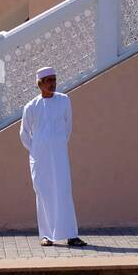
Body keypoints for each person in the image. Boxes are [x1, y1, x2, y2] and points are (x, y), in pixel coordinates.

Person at [19, 67, 86, 247]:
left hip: (59, 156)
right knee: (44, 194)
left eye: (54, 79)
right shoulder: (31, 106)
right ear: (39, 84)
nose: (52, 83)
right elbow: (24, 134)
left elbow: (68, 127)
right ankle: (47, 235)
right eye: (48, 80)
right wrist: (36, 149)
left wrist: (57, 144)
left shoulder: (64, 100)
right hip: (39, 159)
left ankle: (71, 235)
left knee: (63, 192)